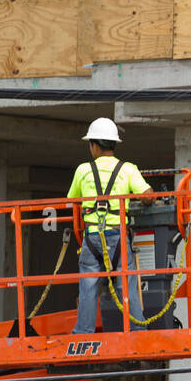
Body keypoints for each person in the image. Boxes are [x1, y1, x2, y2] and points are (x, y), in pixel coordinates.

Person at [68, 118, 153, 334]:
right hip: (117, 236)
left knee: (88, 286)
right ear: (113, 144)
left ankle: (83, 334)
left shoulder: (83, 170)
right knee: (127, 283)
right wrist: (142, 199)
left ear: (94, 145)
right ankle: (137, 330)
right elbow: (148, 196)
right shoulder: (128, 169)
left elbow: (72, 200)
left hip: (92, 236)